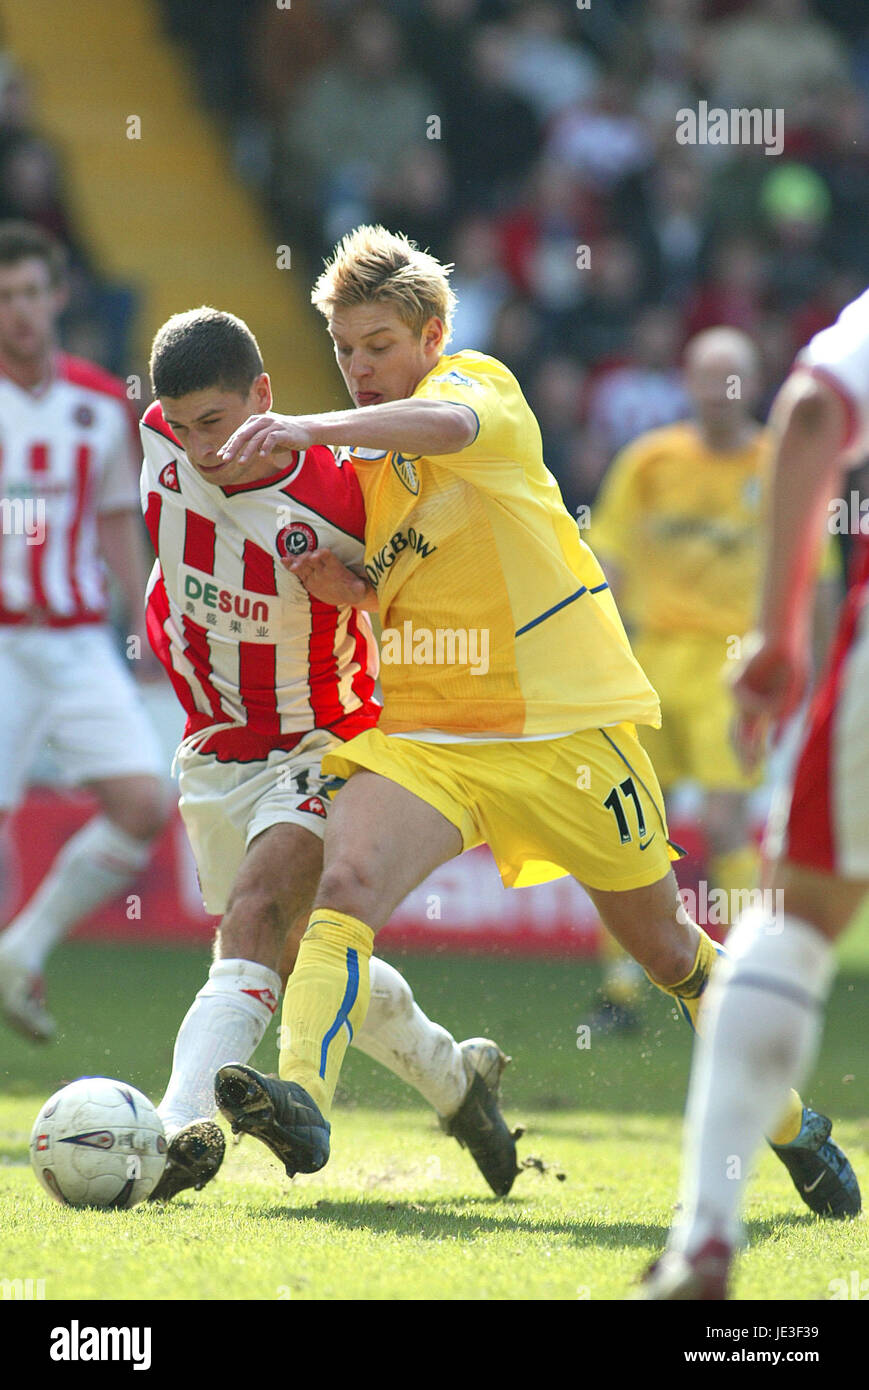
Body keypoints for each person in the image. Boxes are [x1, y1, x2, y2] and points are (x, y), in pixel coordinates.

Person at [211, 226, 855, 1221]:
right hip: (431, 735)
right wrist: (350, 587)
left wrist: (308, 426)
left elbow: (450, 433)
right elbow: (417, 575)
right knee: (343, 881)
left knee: (667, 950)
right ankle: (301, 1096)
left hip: (563, 733)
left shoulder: (480, 388)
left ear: (430, 335)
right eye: (343, 349)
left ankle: (789, 1124)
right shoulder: (376, 466)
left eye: (377, 344)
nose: (357, 368)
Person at [141, 306, 519, 1201]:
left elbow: (426, 591)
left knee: (261, 917)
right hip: (215, 744)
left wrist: (359, 588)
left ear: (264, 397)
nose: (200, 448)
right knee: (300, 947)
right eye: (184, 426)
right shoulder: (155, 436)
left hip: (325, 738)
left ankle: (171, 1137)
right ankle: (456, 1081)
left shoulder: (342, 494)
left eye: (218, 424)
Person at [639, 285, 869, 1300]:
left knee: (794, 922)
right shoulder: (653, 461)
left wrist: (778, 636)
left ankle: (706, 1234)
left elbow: (814, 413)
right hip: (664, 661)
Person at [588, 326, 840, 1028]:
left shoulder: (780, 463)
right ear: (687, 382)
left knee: (726, 827)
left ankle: (738, 982)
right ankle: (619, 990)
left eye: (732, 376)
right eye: (706, 376)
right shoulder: (649, 460)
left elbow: (816, 577)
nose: (719, 390)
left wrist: (811, 669)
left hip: (735, 670)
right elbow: (605, 558)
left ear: (754, 383)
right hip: (650, 662)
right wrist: (595, 645)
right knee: (632, 829)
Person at [0, 220, 167, 1040]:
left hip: (74, 641)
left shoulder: (101, 403)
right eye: (4, 298)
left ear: (57, 296)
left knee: (144, 801)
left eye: (31, 292)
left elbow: (114, 523)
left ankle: (20, 950)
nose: (20, 312)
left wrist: (140, 631)